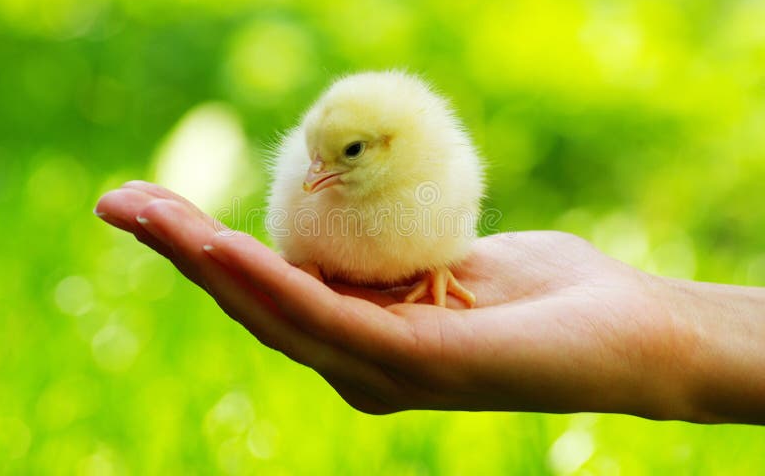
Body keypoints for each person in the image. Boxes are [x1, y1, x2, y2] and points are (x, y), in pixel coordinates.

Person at [95, 181, 765, 425]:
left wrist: (676, 327)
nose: (318, 169)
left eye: (346, 156)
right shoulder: (327, 175)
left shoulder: (417, 174)